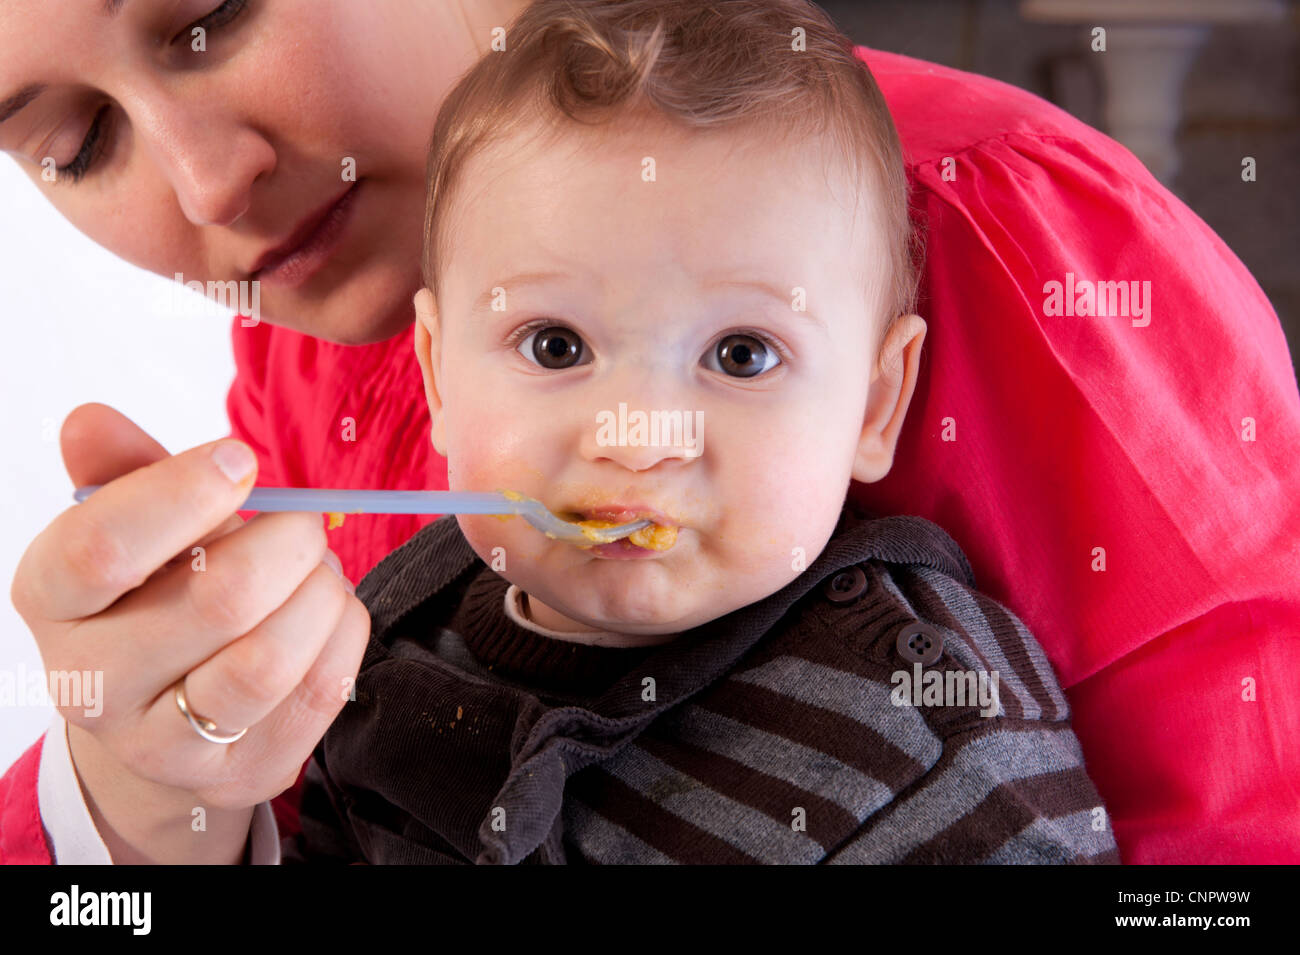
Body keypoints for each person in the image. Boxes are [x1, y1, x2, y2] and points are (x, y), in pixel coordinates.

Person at [2, 0, 1295, 864]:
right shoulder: (301, 343)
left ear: (880, 394)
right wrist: (143, 798)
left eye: (209, 16)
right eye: (76, 142)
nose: (205, 183)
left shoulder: (999, 236)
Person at [275, 0, 1118, 864]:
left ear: (873, 406)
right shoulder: (387, 629)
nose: (638, 438)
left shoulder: (927, 727)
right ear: (438, 375)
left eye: (742, 354)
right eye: (556, 345)